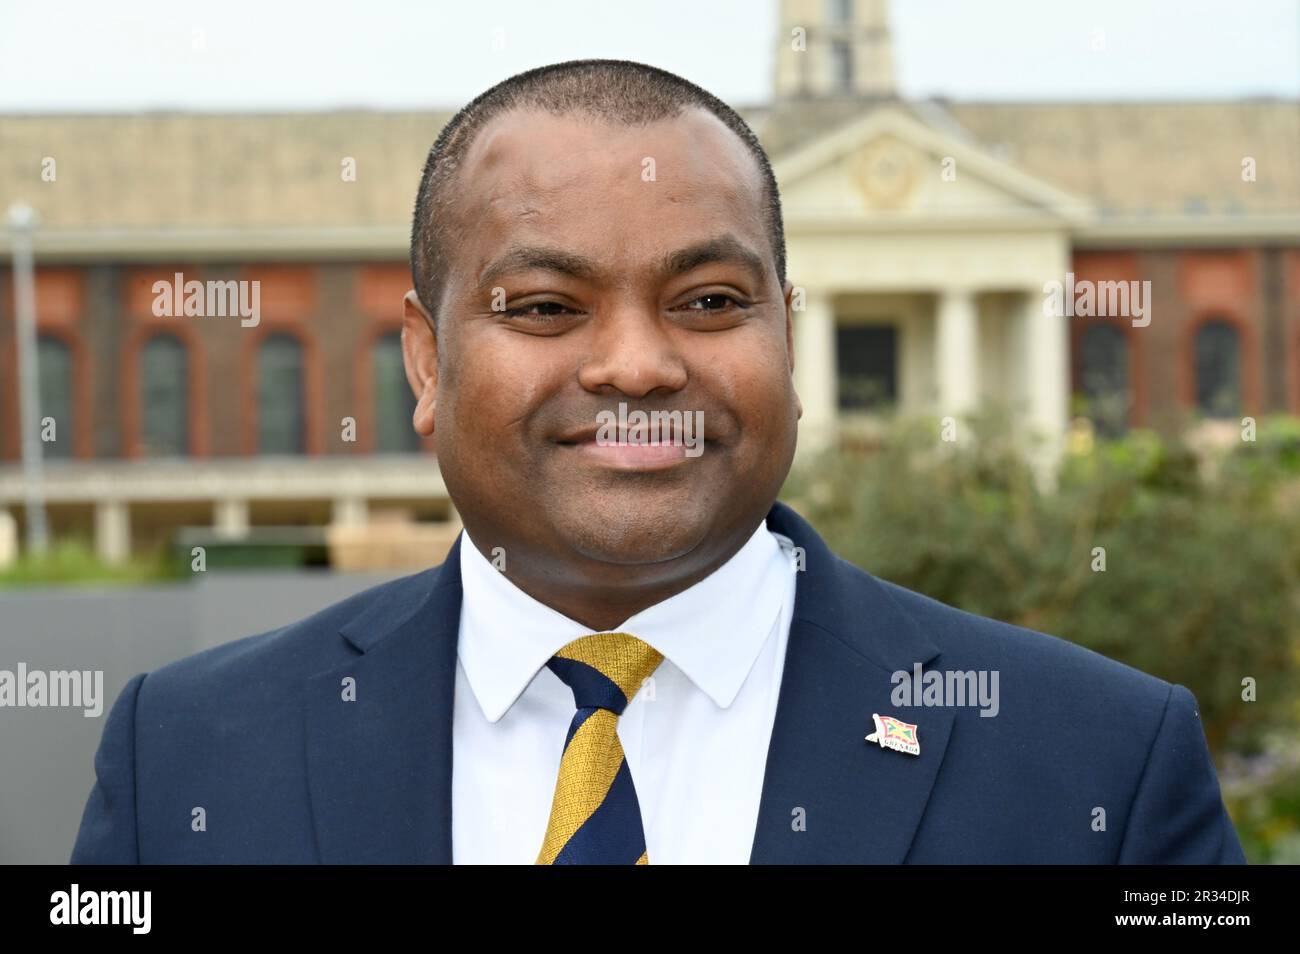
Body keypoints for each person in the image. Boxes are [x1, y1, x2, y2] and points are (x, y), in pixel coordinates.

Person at [71, 59, 1245, 864]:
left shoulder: (1099, 767)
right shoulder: (189, 756)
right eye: (542, 307)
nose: (636, 366)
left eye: (710, 299)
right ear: (426, 366)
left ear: (788, 338)